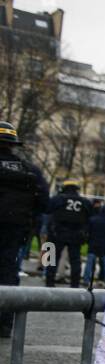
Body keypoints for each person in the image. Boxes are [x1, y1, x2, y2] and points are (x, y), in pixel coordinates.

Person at [0, 120, 50, 337]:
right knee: (9, 273)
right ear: (14, 145)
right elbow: (44, 204)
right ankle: (4, 323)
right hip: (15, 230)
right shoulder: (31, 171)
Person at [44, 179, 91, 288]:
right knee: (75, 260)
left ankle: (49, 282)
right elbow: (90, 218)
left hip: (57, 233)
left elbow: (47, 210)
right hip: (76, 234)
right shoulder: (85, 202)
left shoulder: (57, 199)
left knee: (52, 258)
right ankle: (74, 284)